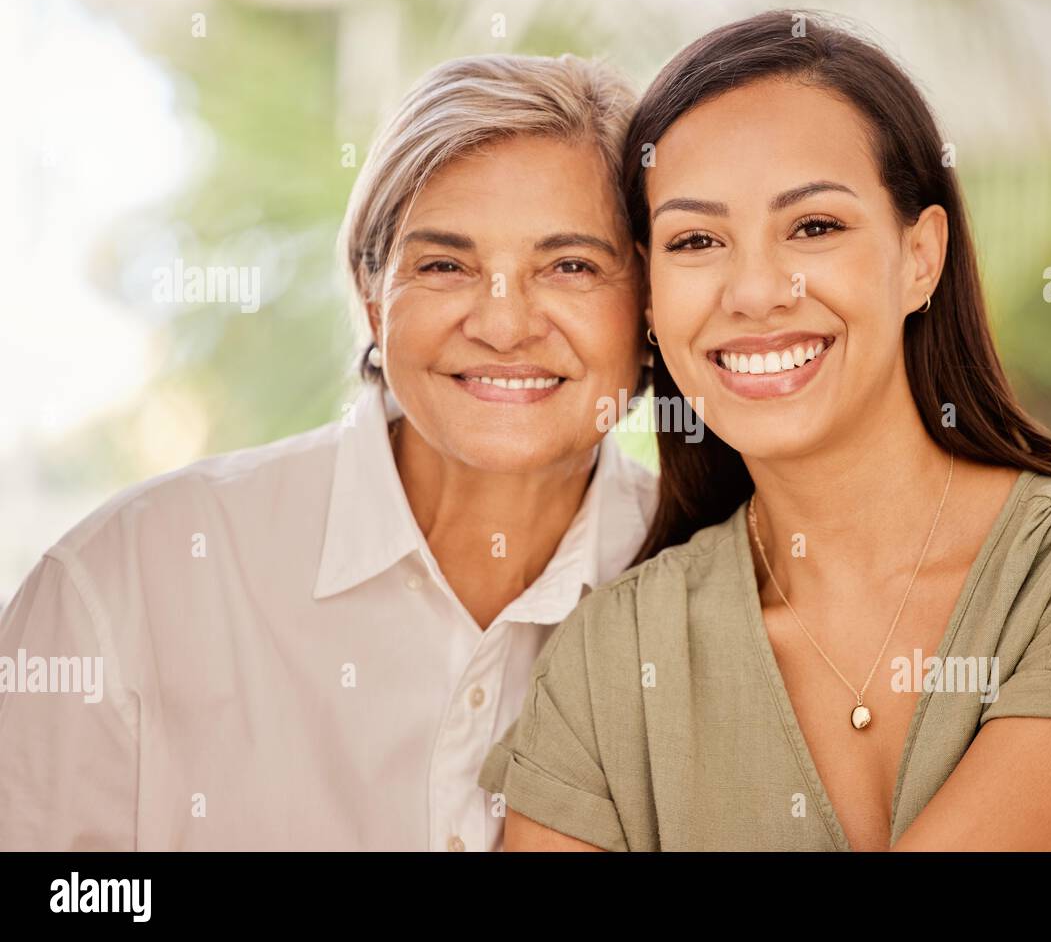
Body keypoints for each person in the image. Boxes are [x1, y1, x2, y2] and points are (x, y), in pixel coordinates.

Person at [478, 10, 1051, 851]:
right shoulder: (614, 654)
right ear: (649, 297)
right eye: (696, 238)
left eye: (814, 226)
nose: (753, 292)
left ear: (921, 255)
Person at [0, 53, 656, 851]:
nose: (504, 323)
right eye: (446, 264)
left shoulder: (729, 586)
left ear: (651, 305)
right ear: (374, 299)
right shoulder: (128, 583)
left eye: (571, 265)